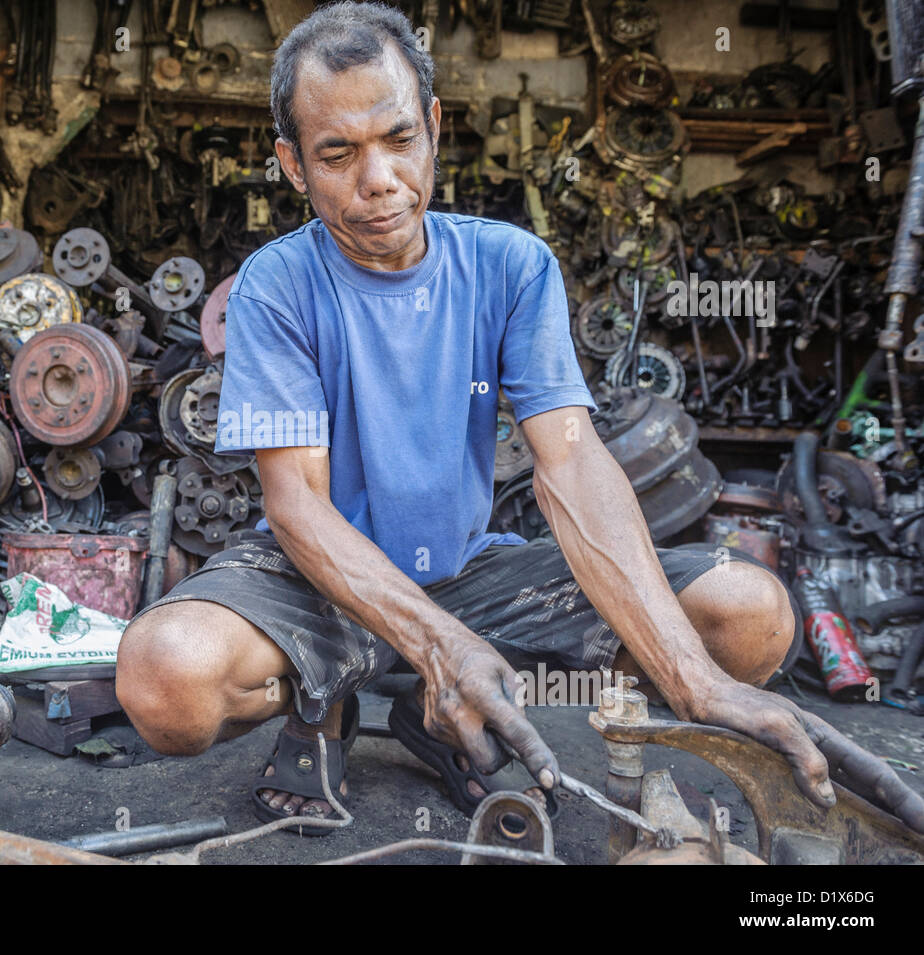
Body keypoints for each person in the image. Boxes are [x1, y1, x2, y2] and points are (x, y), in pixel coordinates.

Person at [116, 0, 924, 834]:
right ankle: (336, 697)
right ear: (291, 163)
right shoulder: (276, 285)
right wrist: (437, 646)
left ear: (434, 125)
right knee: (165, 678)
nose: (380, 179)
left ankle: (433, 711)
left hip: (471, 576)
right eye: (337, 154)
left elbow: (571, 463)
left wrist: (693, 678)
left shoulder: (511, 265)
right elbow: (298, 505)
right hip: (316, 586)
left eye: (398, 139)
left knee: (749, 617)